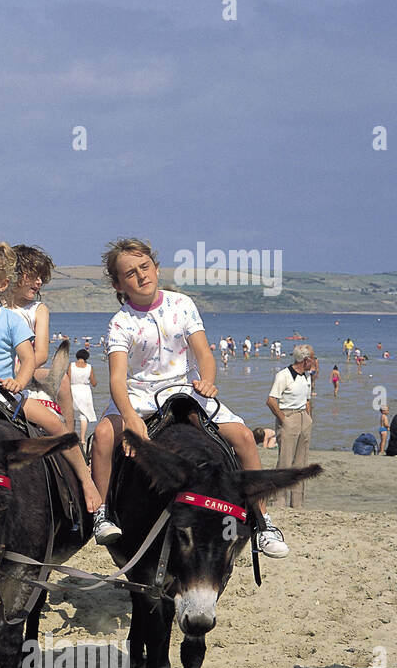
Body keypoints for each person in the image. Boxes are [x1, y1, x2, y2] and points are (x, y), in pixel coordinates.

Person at [88, 238, 288, 556]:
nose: (140, 275)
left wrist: (207, 381)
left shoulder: (182, 305)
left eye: (144, 266)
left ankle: (262, 521)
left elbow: (204, 355)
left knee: (245, 438)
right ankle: (102, 513)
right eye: (130, 273)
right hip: (137, 394)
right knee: (101, 436)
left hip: (184, 389)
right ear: (119, 284)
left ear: (155, 267)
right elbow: (116, 378)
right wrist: (129, 418)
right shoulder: (120, 323)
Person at [0, 240, 101, 515]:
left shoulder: (11, 321)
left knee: (57, 427)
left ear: (3, 284)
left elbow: (28, 358)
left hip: (7, 394)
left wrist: (20, 382)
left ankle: (86, 481)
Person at [3, 244, 74, 422]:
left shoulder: (38, 310)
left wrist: (20, 370)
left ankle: (70, 441)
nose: (39, 282)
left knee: (63, 381)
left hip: (27, 369)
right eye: (34, 276)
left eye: (42, 277)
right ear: (15, 274)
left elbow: (41, 354)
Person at [266, 345, 315, 509]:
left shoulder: (307, 376)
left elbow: (307, 400)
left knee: (301, 463)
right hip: (288, 416)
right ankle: (279, 501)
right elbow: (271, 400)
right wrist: (284, 420)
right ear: (306, 359)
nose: (314, 361)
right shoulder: (284, 375)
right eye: (313, 358)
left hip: (303, 418)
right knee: (285, 462)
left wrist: (309, 418)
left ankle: (297, 503)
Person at [69, 347, 98, 447]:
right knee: (83, 415)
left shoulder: (71, 365)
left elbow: (67, 379)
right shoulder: (89, 367)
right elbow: (94, 383)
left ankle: (71, 436)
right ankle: (82, 439)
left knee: (71, 414)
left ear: (77, 356)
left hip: (73, 390)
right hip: (85, 391)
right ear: (87, 357)